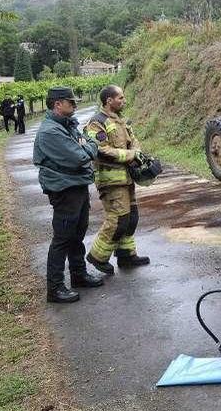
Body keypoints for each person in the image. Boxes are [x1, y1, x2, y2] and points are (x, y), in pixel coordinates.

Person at [32, 87, 103, 303]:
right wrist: (87, 147)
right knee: (62, 238)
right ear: (57, 104)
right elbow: (80, 157)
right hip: (64, 189)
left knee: (77, 233)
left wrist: (87, 146)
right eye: (71, 102)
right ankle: (54, 288)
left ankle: (78, 274)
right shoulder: (50, 132)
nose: (74, 105)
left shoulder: (68, 125)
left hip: (77, 185)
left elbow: (90, 145)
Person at [84, 85, 150, 274]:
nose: (124, 100)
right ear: (108, 101)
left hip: (127, 178)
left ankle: (126, 255)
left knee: (132, 217)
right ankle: (97, 256)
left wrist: (137, 153)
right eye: (120, 98)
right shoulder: (96, 122)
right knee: (118, 219)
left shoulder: (121, 121)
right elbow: (100, 150)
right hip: (111, 181)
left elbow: (134, 140)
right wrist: (130, 155)